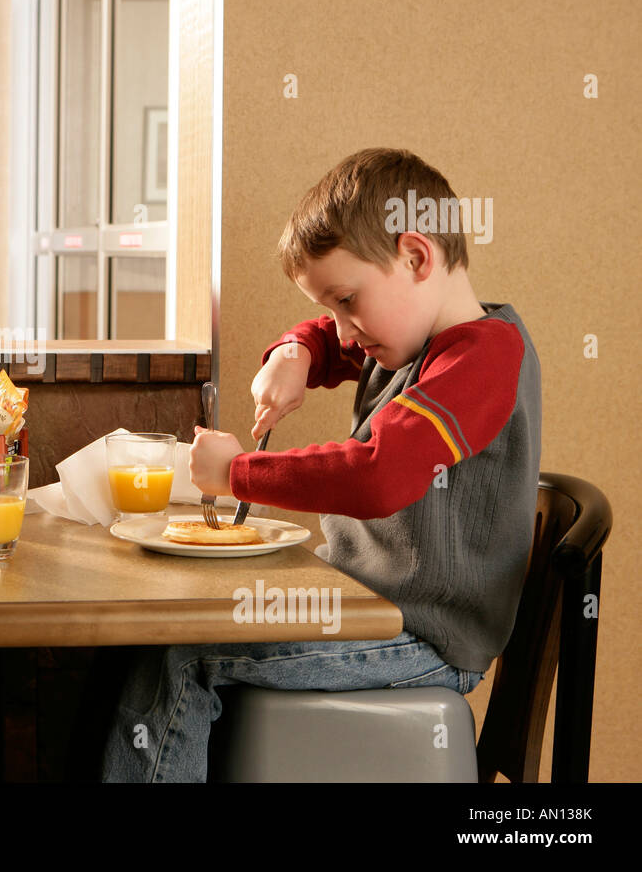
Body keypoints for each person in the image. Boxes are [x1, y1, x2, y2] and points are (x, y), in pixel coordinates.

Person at [101, 148, 541, 782]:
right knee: (153, 637)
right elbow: (321, 339)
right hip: (371, 610)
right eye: (332, 310)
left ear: (416, 257)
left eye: (346, 301)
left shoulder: (483, 361)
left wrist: (236, 476)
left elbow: (377, 473)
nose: (341, 330)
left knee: (184, 655)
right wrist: (292, 352)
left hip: (421, 639)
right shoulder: (406, 340)